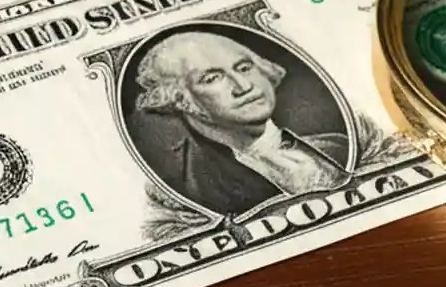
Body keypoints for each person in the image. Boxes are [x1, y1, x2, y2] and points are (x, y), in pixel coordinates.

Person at [131, 31, 349, 215]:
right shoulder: (191, 191)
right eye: (212, 78)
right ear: (178, 99)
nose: (244, 86)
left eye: (244, 68)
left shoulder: (338, 147)